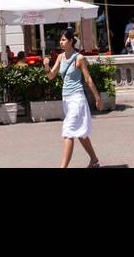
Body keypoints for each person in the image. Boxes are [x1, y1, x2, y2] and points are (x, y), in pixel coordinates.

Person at [44, 28, 102, 168]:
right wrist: (46, 66)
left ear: (71, 41)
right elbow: (51, 76)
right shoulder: (60, 57)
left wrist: (97, 98)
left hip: (77, 98)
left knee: (68, 131)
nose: (61, 42)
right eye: (60, 40)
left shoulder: (79, 58)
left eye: (64, 40)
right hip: (67, 99)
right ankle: (94, 160)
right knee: (81, 132)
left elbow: (88, 79)